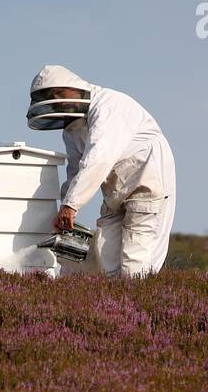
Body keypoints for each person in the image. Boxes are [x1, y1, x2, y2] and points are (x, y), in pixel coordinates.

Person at [27, 64, 176, 278]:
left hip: (146, 182)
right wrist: (64, 208)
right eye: (51, 97)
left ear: (69, 88)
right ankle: (117, 307)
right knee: (106, 254)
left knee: (134, 257)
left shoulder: (109, 106)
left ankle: (138, 303)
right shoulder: (72, 130)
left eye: (58, 94)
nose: (57, 101)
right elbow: (76, 171)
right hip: (116, 191)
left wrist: (71, 206)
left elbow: (99, 159)